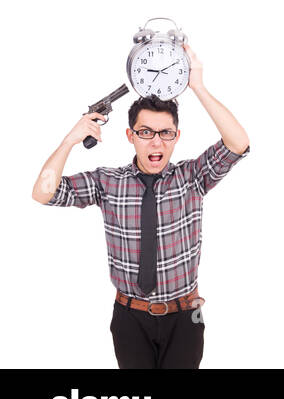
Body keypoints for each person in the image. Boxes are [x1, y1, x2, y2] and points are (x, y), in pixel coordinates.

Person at [31, 45, 250, 369]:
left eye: (165, 133)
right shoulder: (108, 182)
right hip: (129, 319)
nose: (156, 142)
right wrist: (69, 141)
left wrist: (198, 87)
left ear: (177, 136)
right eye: (146, 132)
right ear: (130, 135)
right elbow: (44, 193)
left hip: (185, 317)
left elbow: (238, 143)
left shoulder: (192, 177)